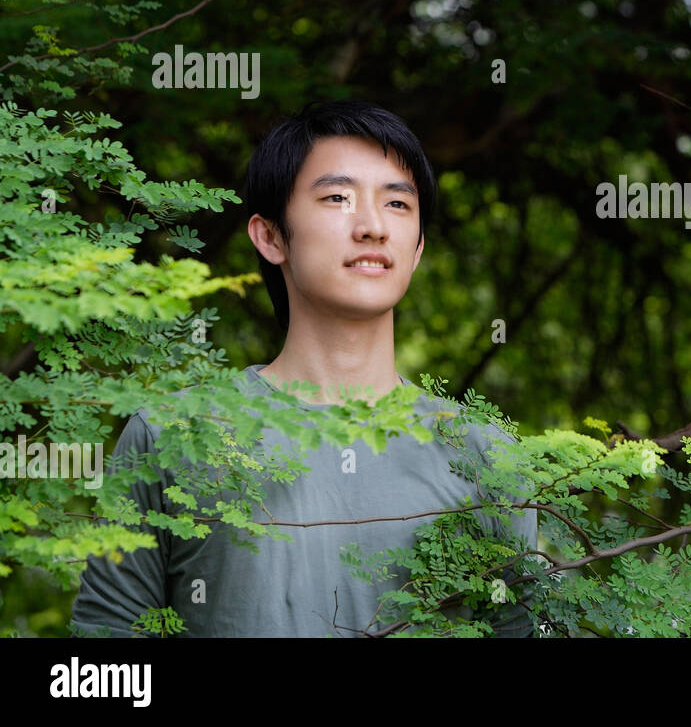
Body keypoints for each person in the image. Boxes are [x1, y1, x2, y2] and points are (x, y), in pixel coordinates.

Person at [70, 100, 537, 637]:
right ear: (270, 236)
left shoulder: (485, 458)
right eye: (337, 198)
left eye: (398, 204)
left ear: (418, 247)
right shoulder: (177, 435)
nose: (372, 226)